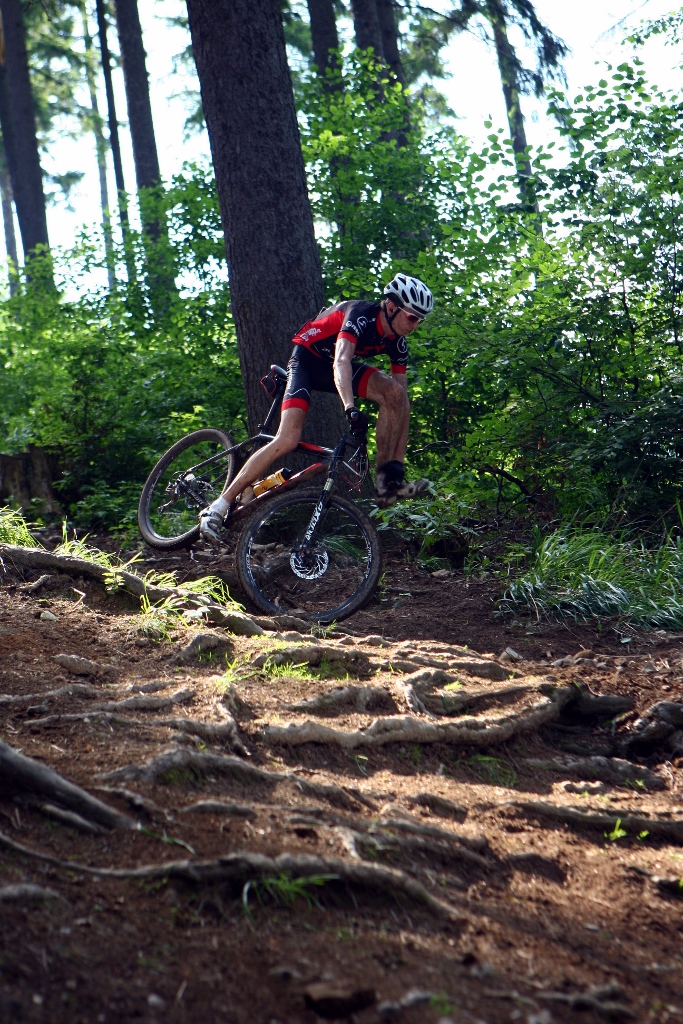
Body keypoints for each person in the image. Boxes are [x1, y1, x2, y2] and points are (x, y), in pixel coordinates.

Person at [199, 273, 433, 546]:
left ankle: (384, 480)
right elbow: (342, 361)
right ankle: (218, 506)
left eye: (420, 320)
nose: (415, 325)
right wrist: (350, 409)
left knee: (395, 394)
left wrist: (397, 465)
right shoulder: (360, 315)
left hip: (333, 366)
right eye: (412, 317)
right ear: (392, 308)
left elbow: (401, 403)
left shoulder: (398, 343)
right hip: (307, 361)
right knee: (287, 439)